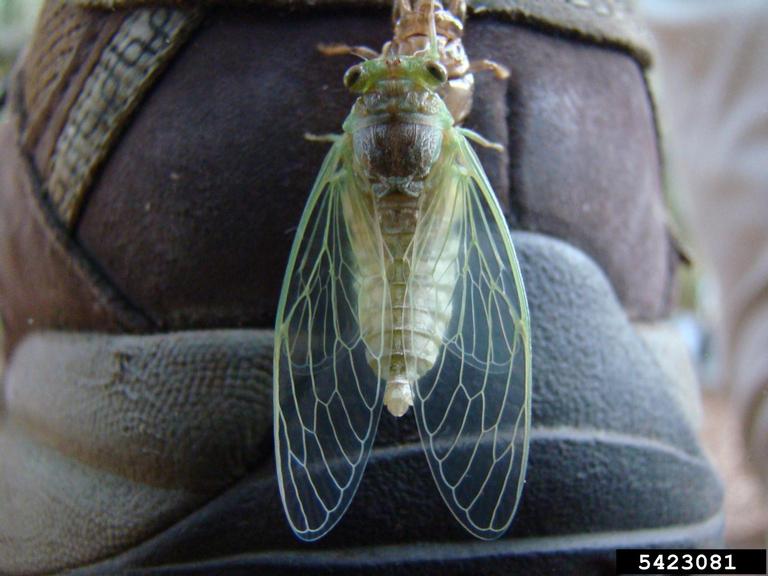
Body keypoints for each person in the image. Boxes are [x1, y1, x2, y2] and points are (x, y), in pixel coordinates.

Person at [0, 1, 723, 573]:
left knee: (336, 268)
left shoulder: (349, 136)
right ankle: (577, 63)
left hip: (357, 272)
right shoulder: (458, 132)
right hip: (536, 171)